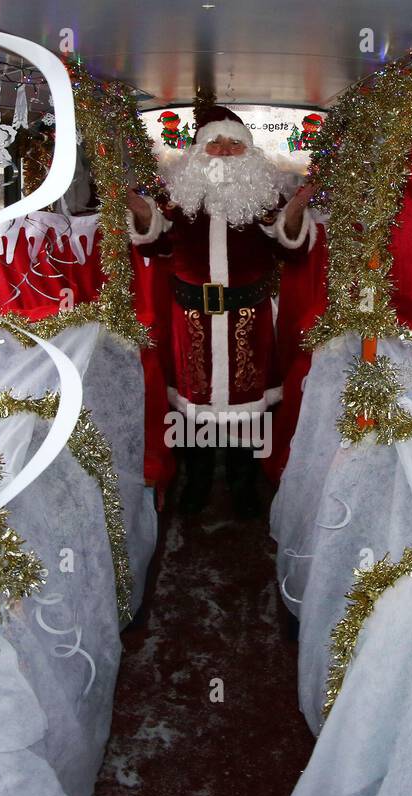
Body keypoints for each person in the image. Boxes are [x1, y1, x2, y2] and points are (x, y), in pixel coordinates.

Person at [127, 104, 315, 517]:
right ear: (198, 151)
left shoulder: (267, 196)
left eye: (234, 144)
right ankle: (196, 481)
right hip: (189, 317)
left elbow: (293, 249)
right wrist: (142, 214)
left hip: (249, 318)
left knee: (248, 406)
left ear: (248, 151)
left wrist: (296, 211)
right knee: (193, 404)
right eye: (215, 144)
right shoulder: (176, 197)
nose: (226, 152)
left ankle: (242, 484)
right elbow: (154, 242)